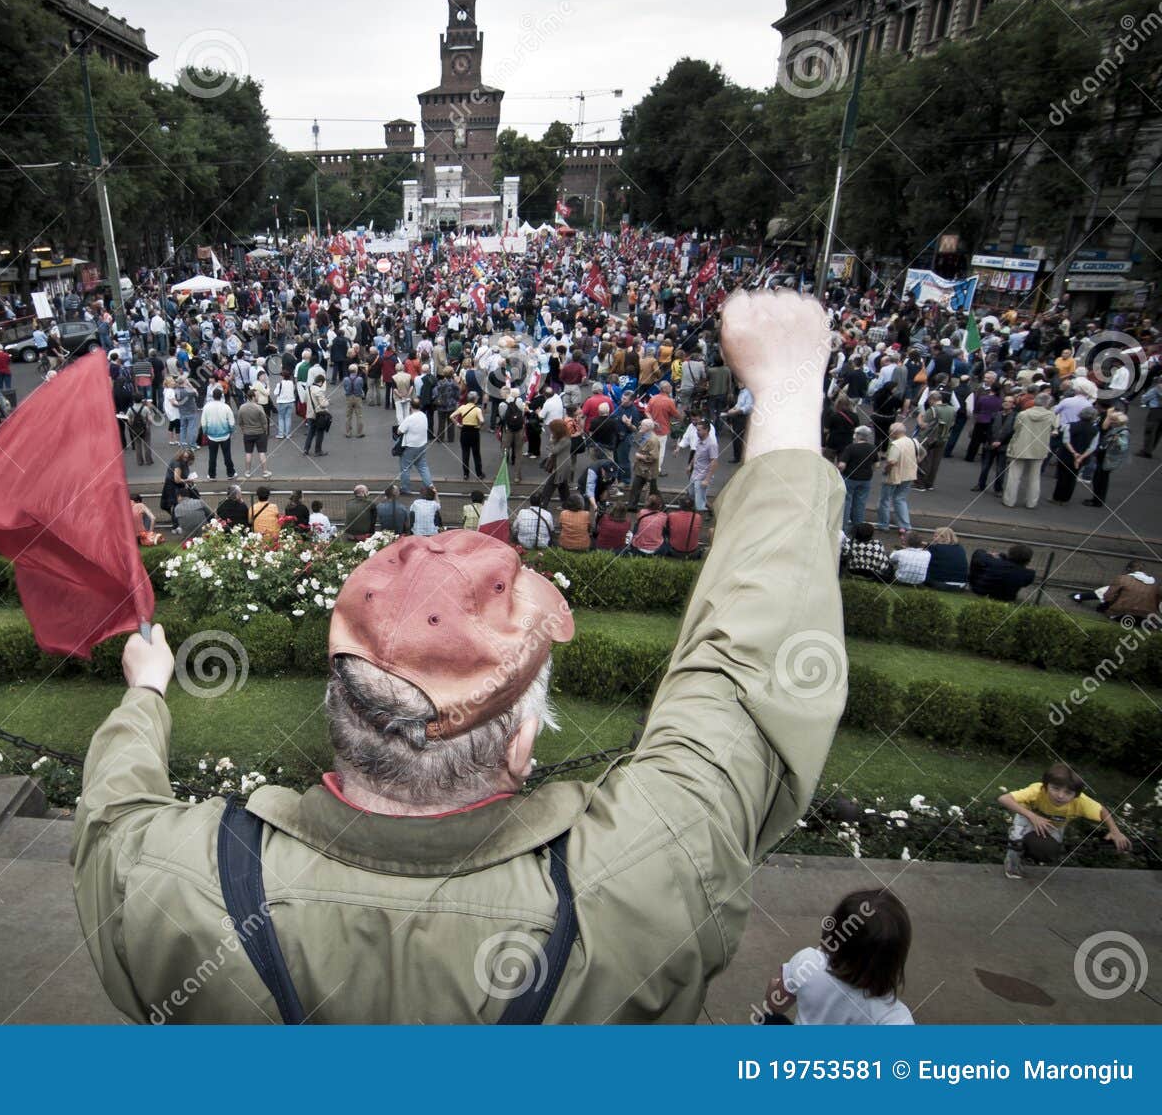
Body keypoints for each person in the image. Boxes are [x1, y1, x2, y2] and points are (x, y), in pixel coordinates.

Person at [71, 289, 847, 1023]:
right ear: (520, 740)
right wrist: (785, 389)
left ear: (341, 714)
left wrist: (146, 694)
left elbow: (111, 821)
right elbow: (744, 682)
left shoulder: (177, 885)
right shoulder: (644, 883)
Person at [761, 889, 913, 1025]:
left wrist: (777, 984)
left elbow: (776, 1004)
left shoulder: (808, 962)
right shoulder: (896, 1018)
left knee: (770, 1019)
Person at [998, 762, 1130, 879]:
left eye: (1068, 793)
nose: (1060, 796)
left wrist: (1115, 831)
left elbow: (1102, 811)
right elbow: (1004, 798)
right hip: (1027, 818)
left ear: (1076, 795)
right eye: (1055, 788)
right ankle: (1012, 864)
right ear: (1045, 786)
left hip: (1054, 826)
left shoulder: (1081, 802)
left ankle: (1030, 851)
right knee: (1017, 841)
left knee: (1047, 851)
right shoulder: (1037, 790)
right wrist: (1032, 816)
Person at [1002, 392, 1056, 509]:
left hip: (1021, 446)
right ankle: (1031, 502)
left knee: (1014, 476)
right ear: (1047, 403)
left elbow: (1016, 428)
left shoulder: (1023, 414)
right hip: (1039, 448)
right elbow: (1054, 429)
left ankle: (1009, 500)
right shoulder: (1051, 415)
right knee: (1035, 478)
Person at [1070, 560, 1159, 620]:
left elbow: (1107, 597)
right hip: (1145, 619)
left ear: (1129, 569)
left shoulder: (1123, 579)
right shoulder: (1155, 585)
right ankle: (1079, 597)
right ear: (1144, 571)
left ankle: (1079, 597)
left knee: (1106, 590)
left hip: (1121, 616)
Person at [1085, 407, 1128, 508]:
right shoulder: (1116, 429)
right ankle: (1095, 498)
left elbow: (1123, 446)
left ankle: (1098, 501)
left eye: (1113, 420)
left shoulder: (1123, 432)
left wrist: (1117, 440)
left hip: (1108, 459)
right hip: (1104, 457)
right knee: (1097, 479)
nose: (1111, 422)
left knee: (1101, 480)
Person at [837, 424, 878, 529]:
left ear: (858, 435)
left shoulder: (851, 448)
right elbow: (876, 465)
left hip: (850, 478)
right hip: (866, 479)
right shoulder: (873, 448)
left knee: (846, 502)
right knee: (860, 504)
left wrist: (838, 472)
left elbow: (842, 465)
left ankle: (844, 528)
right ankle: (858, 528)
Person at [969, 545, 1036, 601]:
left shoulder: (994, 562)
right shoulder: (1029, 574)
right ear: (1028, 561)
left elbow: (978, 553)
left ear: (1009, 554)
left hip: (979, 591)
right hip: (1005, 599)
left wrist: (991, 555)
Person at [200, 388, 237, 480]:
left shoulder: (207, 407)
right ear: (221, 396)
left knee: (212, 456)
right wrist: (231, 431)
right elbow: (232, 422)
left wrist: (205, 432)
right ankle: (230, 473)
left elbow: (203, 422)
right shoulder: (226, 407)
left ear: (213, 396)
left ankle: (212, 475)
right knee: (227, 455)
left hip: (211, 436)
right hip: (225, 436)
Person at [397, 401, 432, 494]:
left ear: (410, 407)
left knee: (405, 468)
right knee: (423, 466)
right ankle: (429, 486)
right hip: (422, 445)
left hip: (411, 446)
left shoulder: (409, 418)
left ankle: (405, 488)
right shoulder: (424, 415)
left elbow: (399, 431)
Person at [923, 527, 969, 592]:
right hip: (961, 584)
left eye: (936, 536)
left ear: (943, 537)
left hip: (942, 583)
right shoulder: (960, 548)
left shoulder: (935, 549)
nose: (933, 538)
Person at [451, 393, 485, 480]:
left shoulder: (462, 407)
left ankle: (466, 474)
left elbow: (451, 416)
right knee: (476, 454)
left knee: (465, 453)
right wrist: (479, 426)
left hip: (464, 431)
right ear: (475, 400)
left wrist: (458, 424)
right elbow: (482, 420)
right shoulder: (477, 409)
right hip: (474, 432)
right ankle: (479, 474)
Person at [159, 449, 194, 527]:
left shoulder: (182, 461)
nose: (186, 459)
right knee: (176, 505)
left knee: (171, 504)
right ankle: (176, 524)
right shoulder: (178, 464)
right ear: (181, 455)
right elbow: (177, 480)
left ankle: (176, 520)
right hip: (173, 486)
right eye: (185, 457)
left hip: (175, 485)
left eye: (188, 458)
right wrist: (188, 480)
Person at [238, 395, 270, 478]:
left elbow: (240, 421)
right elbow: (264, 421)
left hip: (248, 433)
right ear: (252, 397)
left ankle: (247, 472)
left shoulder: (242, 407)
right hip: (260, 433)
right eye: (256, 396)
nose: (258, 397)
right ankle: (265, 471)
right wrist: (265, 430)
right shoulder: (259, 407)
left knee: (248, 453)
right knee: (262, 453)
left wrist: (243, 430)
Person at [302, 372, 332, 457]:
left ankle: (306, 449)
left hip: (310, 414)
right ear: (321, 382)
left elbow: (304, 400)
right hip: (319, 414)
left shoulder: (308, 389)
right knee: (320, 432)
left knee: (310, 432)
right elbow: (323, 404)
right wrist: (327, 401)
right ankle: (318, 450)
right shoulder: (319, 390)